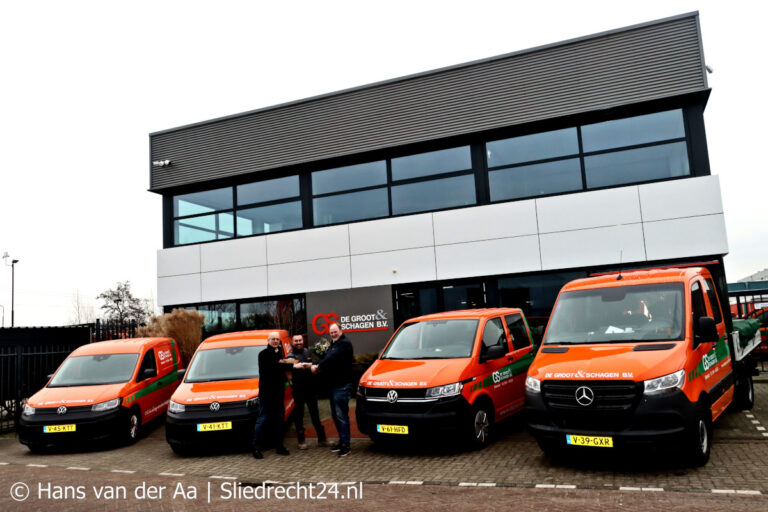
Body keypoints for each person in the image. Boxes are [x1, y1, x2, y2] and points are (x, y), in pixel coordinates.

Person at [310, 322, 354, 457]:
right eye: (331, 332)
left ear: (340, 330)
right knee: (336, 416)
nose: (333, 334)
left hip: (341, 386)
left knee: (341, 416)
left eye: (335, 331)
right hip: (334, 386)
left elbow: (331, 359)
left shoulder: (344, 344)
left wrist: (317, 367)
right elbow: (325, 358)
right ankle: (342, 441)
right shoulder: (333, 344)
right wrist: (312, 364)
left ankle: (346, 445)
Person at [252, 331, 290, 459]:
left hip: (278, 393)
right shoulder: (263, 354)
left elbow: (281, 370)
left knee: (279, 420)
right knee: (263, 419)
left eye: (277, 339)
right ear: (268, 341)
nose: (275, 341)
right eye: (273, 339)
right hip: (267, 394)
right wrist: (288, 364)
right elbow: (272, 369)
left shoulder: (279, 353)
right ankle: (256, 447)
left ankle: (279, 446)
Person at [289, 334, 328, 449]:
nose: (298, 342)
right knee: (299, 416)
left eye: (300, 340)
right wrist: (294, 366)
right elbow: (284, 368)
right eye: (296, 341)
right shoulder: (290, 356)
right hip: (298, 391)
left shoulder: (307, 352)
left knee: (315, 414)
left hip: (310, 389)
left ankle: (322, 439)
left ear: (303, 341)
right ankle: (301, 441)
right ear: (292, 342)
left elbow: (316, 365)